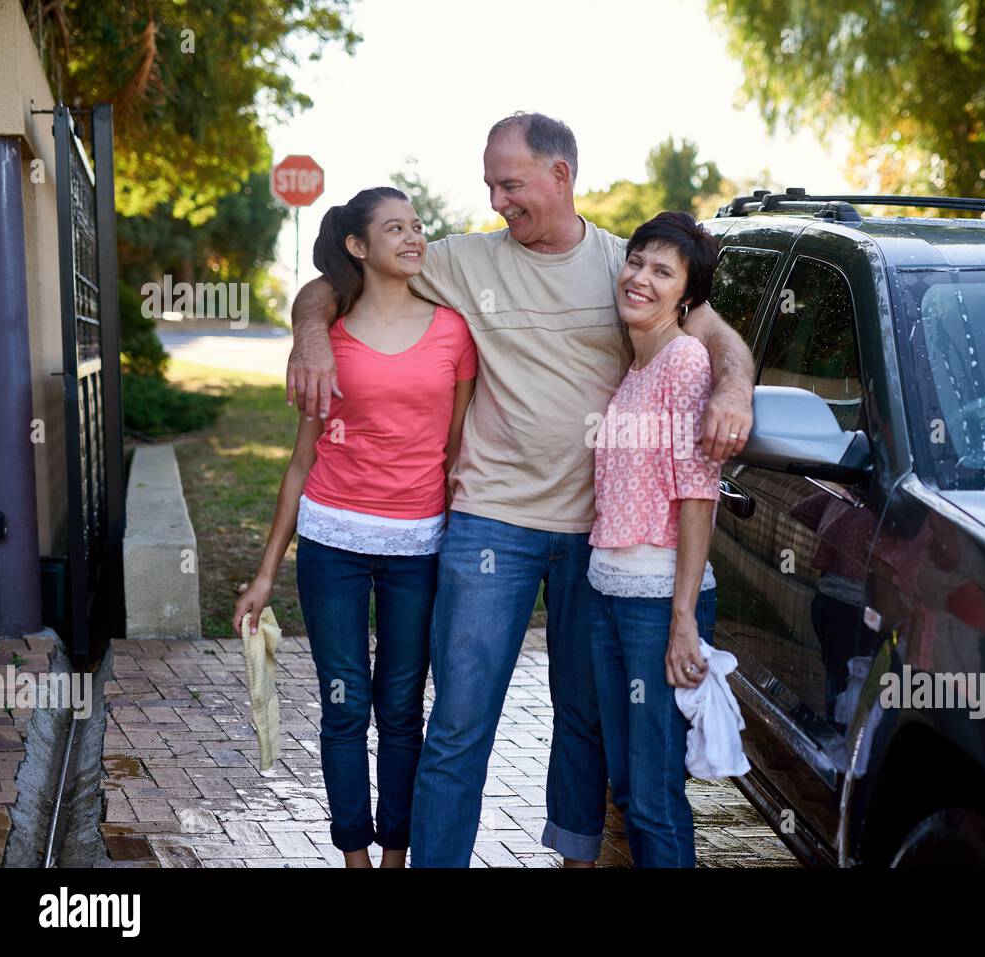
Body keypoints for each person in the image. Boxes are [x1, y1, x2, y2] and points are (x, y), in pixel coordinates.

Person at [285, 112, 755, 868]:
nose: (498, 199)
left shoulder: (625, 267)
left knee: (583, 719)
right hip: (489, 523)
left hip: (594, 537)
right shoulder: (468, 261)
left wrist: (734, 392)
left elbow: (716, 335)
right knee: (462, 717)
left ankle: (574, 857)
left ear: (559, 176)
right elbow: (332, 283)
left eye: (510, 183)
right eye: (490, 185)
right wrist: (311, 337)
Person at [234, 186, 476, 867]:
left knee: (401, 707)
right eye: (393, 227)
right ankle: (355, 857)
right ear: (357, 246)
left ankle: (395, 853)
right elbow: (301, 458)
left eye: (417, 225)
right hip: (332, 542)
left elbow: (455, 449)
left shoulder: (454, 332)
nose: (412, 236)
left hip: (419, 545)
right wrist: (263, 577)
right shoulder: (328, 339)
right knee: (343, 706)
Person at [587, 212, 722, 867]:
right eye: (637, 260)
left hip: (655, 601)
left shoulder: (684, 360)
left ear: (686, 295)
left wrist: (683, 617)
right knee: (630, 788)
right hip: (609, 593)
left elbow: (699, 491)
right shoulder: (636, 367)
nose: (640, 276)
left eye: (662, 270)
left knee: (655, 798)